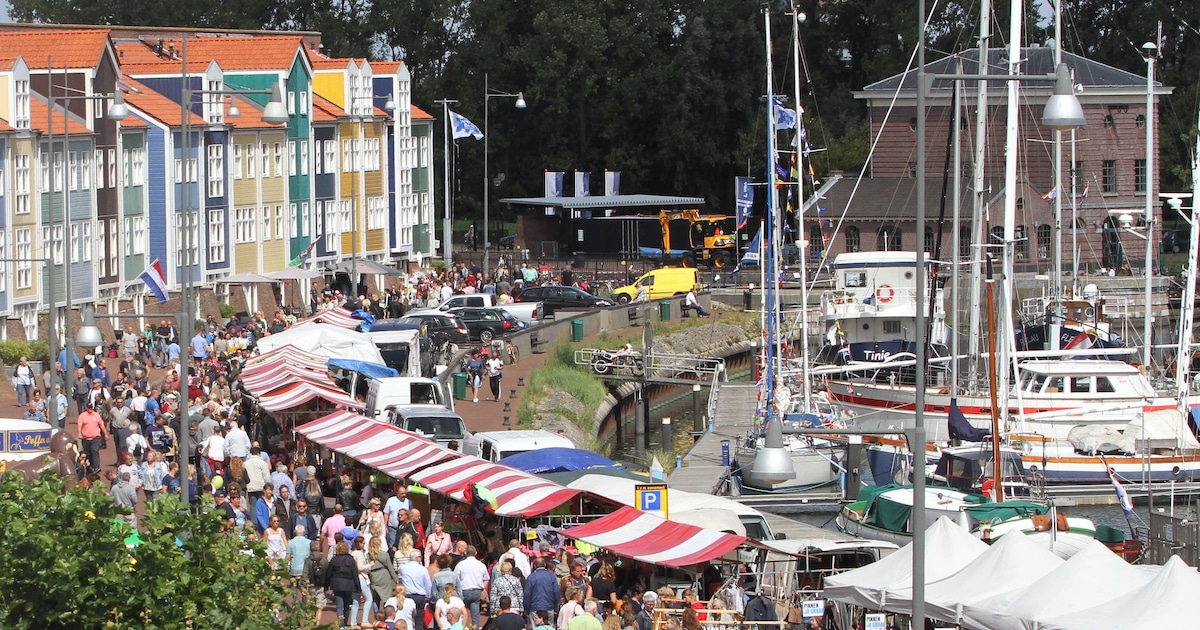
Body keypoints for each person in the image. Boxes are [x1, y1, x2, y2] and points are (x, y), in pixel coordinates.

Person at [327, 541, 361, 629]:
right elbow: (355, 574)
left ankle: (341, 624)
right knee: (346, 606)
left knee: (339, 606)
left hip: (337, 585)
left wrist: (326, 585)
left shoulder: (334, 560)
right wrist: (358, 588)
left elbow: (329, 573)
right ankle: (345, 623)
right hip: (349, 585)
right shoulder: (351, 560)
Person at [397, 549, 432, 630]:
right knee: (419, 620)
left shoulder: (403, 568)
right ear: (418, 558)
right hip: (420, 596)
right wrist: (429, 596)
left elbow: (399, 568)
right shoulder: (423, 569)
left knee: (407, 618)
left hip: (408, 595)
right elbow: (428, 584)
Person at [455, 544, 489, 628]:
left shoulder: (460, 565)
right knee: (475, 614)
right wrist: (482, 588)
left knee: (461, 613)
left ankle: (461, 627)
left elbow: (455, 578)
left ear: (466, 553)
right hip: (476, 591)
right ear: (476, 553)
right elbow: (486, 579)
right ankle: (475, 628)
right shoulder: (481, 565)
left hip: (464, 590)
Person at [524, 558, 562, 628]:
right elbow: (556, 591)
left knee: (535, 627)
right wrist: (557, 607)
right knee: (549, 627)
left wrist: (526, 609)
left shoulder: (531, 577)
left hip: (535, 606)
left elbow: (527, 594)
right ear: (544, 565)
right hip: (549, 606)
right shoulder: (551, 576)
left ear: (534, 566)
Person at [78, 403, 106, 475]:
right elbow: (80, 425)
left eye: (91, 408)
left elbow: (101, 424)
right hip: (85, 438)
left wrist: (105, 434)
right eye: (89, 408)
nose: (90, 409)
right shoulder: (82, 416)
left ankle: (96, 467)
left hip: (95, 437)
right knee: (87, 453)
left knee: (94, 450)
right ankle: (89, 467)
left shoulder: (96, 415)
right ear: (86, 408)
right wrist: (79, 433)